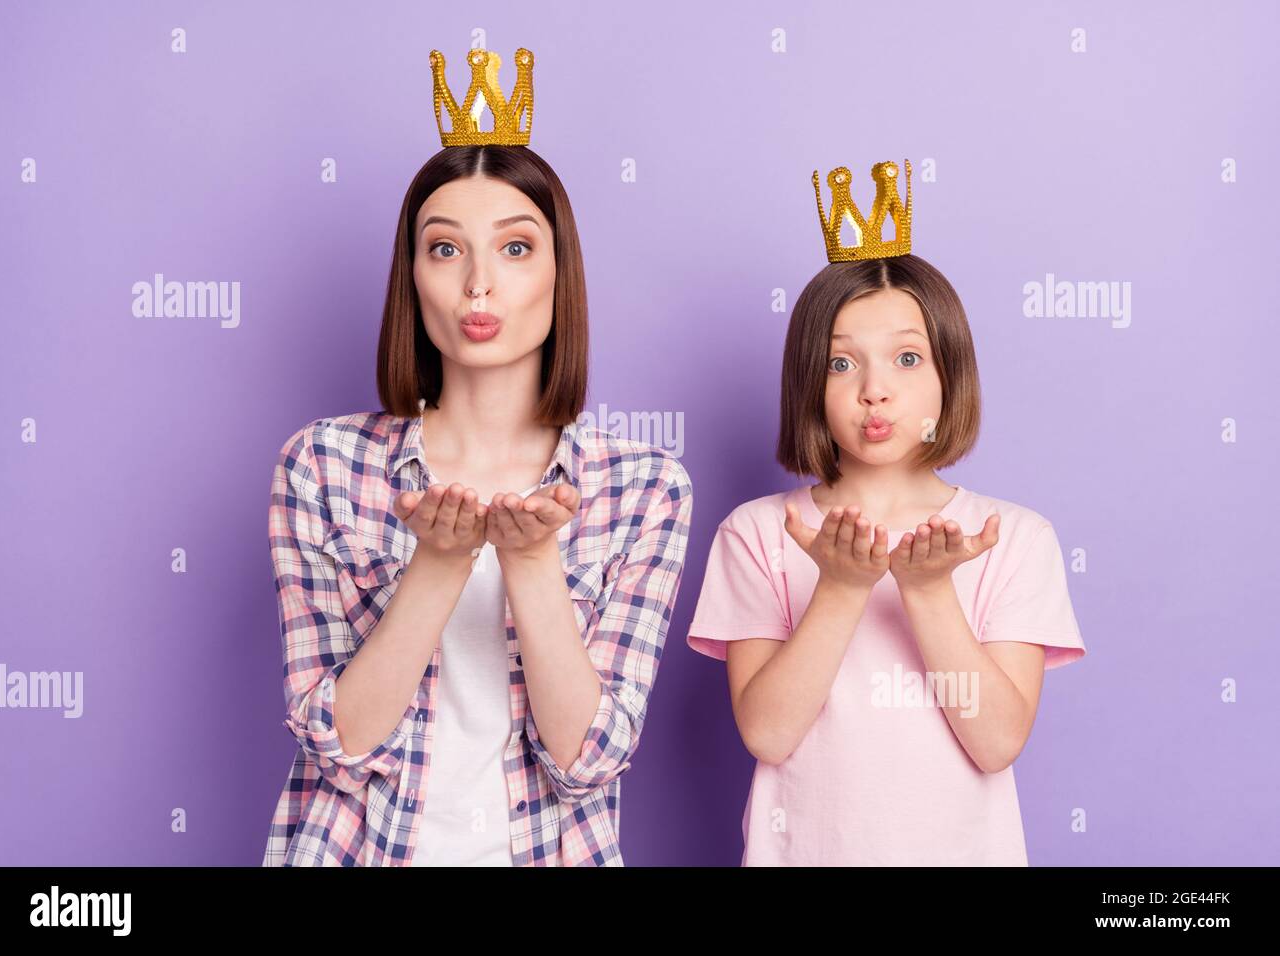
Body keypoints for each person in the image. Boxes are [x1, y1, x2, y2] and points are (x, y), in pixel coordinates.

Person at [262, 47, 692, 866]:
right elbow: (336, 744)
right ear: (412, 276)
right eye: (447, 248)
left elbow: (587, 760)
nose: (479, 287)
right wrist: (435, 565)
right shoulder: (320, 465)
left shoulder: (644, 489)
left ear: (560, 274)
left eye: (517, 248)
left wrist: (532, 563)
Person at [686, 160, 1085, 865]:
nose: (875, 390)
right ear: (809, 385)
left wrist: (928, 591)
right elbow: (769, 735)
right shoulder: (757, 534)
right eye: (842, 365)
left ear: (949, 375)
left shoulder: (1016, 538)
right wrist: (840, 588)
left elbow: (995, 743)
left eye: (906, 359)